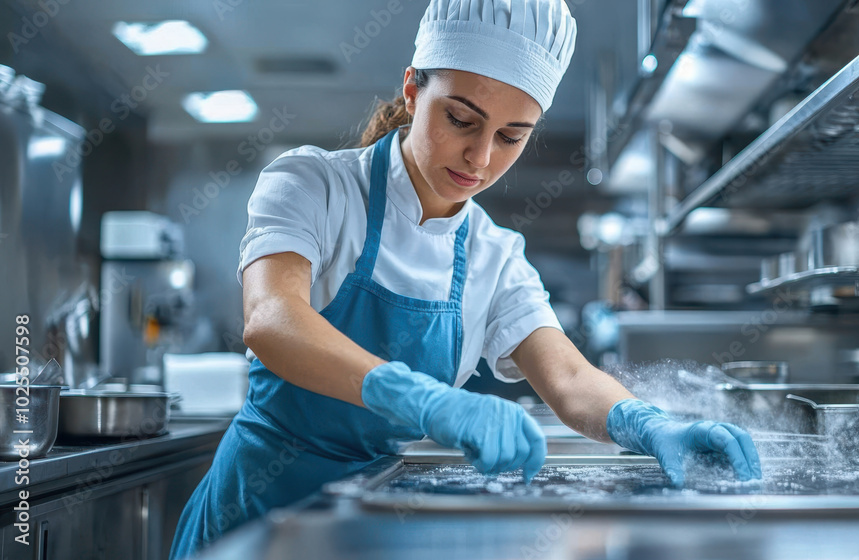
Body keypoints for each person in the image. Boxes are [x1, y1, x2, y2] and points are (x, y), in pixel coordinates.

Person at [169, 0, 762, 557]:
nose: (480, 157)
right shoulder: (315, 185)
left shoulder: (494, 256)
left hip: (368, 519)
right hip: (255, 518)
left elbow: (571, 378)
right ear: (412, 90)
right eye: (461, 119)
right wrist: (420, 398)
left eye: (511, 136)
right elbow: (272, 320)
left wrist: (648, 423)